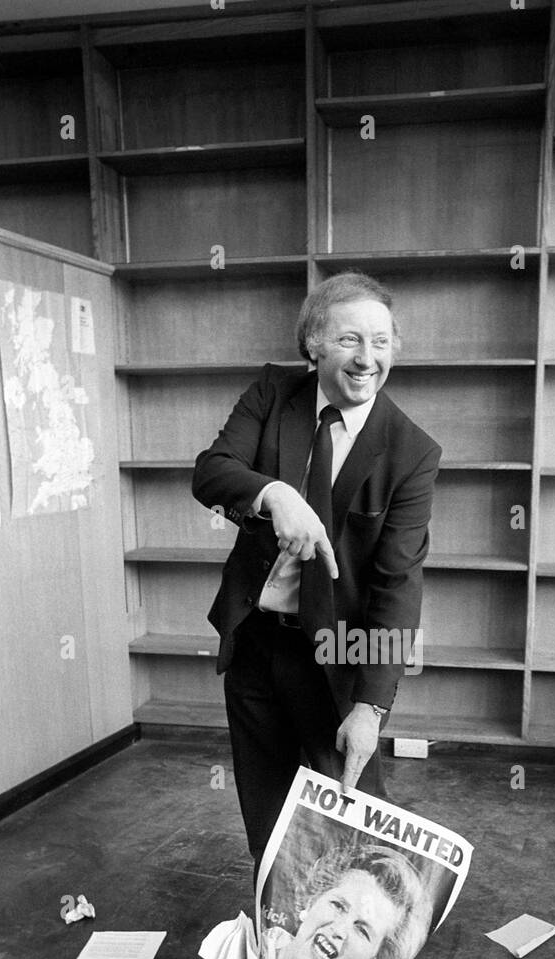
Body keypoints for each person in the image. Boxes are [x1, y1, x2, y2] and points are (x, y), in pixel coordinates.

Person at [192, 273, 441, 868]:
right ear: (314, 344)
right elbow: (211, 472)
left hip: (339, 656)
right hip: (255, 640)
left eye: (381, 342)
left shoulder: (411, 451)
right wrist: (275, 493)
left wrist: (372, 708)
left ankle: (360, 946)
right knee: (268, 816)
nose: (367, 359)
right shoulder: (275, 392)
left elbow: (397, 587)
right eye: (350, 340)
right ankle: (280, 938)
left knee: (352, 816)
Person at [261, 844, 431, 959]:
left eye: (362, 930)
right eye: (338, 906)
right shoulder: (237, 948)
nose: (339, 930)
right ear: (312, 901)